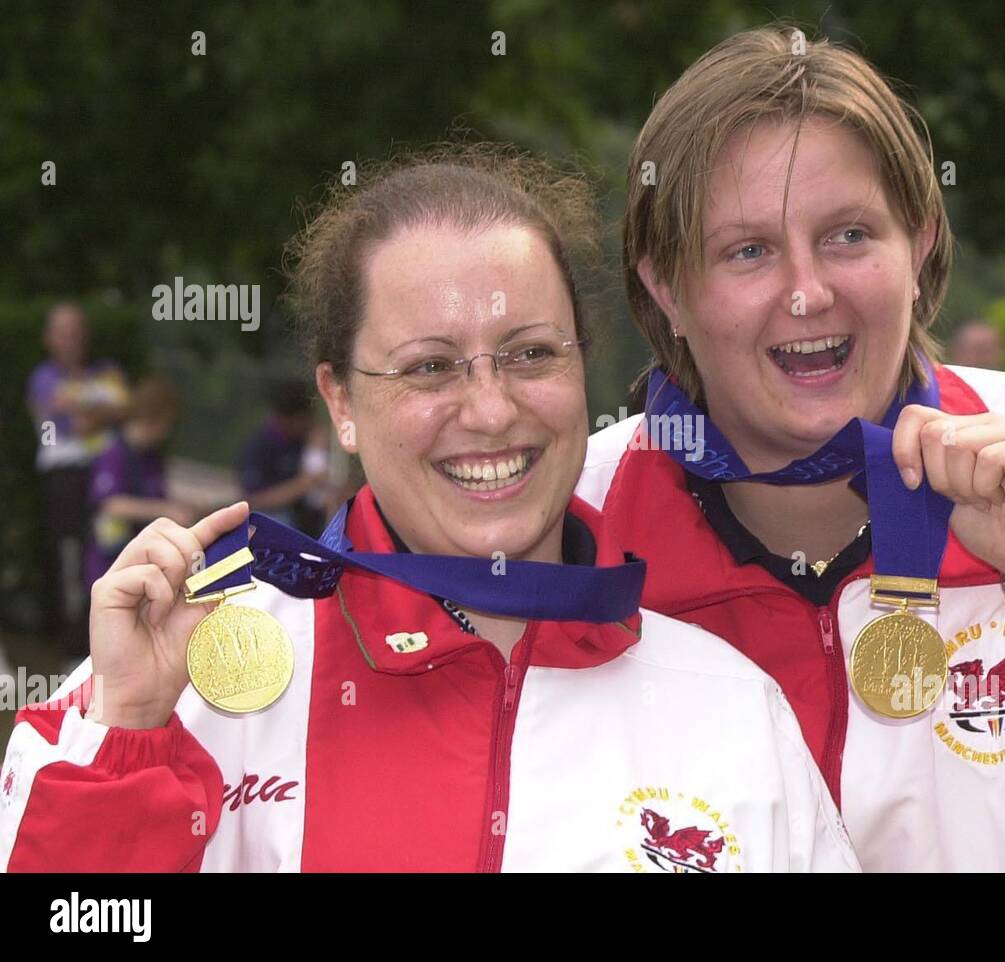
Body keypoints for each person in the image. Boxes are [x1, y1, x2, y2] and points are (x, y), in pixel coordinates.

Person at [0, 147, 858, 873]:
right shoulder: (179, 684)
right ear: (339, 400)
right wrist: (132, 737)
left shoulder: (734, 708)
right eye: (428, 368)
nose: (489, 411)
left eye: (529, 354)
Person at [579, 26, 1005, 872]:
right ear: (668, 288)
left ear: (917, 244)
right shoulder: (574, 520)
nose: (807, 292)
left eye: (849, 235)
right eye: (749, 251)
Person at [25, 302, 129, 655]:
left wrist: (79, 408)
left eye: (78, 331)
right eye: (65, 332)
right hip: (64, 483)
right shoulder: (42, 378)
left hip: (104, 478)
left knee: (106, 559)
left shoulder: (107, 371)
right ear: (50, 338)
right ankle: (72, 652)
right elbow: (56, 426)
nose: (73, 339)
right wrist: (101, 412)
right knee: (71, 565)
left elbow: (125, 408)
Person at [83, 377, 196, 593]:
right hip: (110, 565)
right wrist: (167, 510)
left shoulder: (152, 456)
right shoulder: (113, 453)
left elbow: (155, 496)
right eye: (167, 424)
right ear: (152, 419)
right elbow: (112, 504)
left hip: (141, 564)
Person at [238, 379, 329, 532]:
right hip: (277, 517)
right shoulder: (260, 446)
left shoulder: (311, 439)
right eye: (305, 419)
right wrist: (302, 485)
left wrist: (318, 450)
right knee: (279, 521)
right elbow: (253, 499)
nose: (310, 423)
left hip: (309, 518)